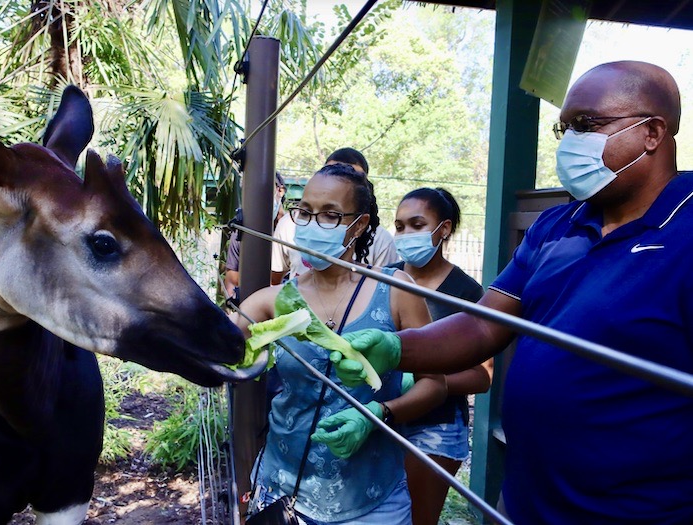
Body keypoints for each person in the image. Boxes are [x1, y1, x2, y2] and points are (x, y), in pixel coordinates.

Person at [329, 61, 693, 524]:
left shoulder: (686, 232)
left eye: (586, 125)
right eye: (564, 129)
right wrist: (399, 347)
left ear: (652, 133)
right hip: (524, 501)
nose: (569, 144)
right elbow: (484, 323)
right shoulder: (556, 226)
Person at [230, 163, 446, 524]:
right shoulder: (272, 301)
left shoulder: (395, 290)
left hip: (372, 498)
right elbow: (224, 341)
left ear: (358, 225)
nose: (313, 224)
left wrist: (381, 414)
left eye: (330, 215)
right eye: (305, 212)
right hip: (284, 490)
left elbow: (434, 384)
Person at [389, 187, 492, 525]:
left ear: (443, 229)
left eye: (417, 225)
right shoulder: (380, 278)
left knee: (417, 519)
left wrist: (432, 384)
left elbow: (483, 376)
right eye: (400, 226)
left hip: (436, 426)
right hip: (380, 418)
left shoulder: (466, 293)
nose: (405, 234)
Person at [271, 148, 398, 284]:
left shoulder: (382, 241)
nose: (337, 178)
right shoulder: (289, 224)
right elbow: (274, 279)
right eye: (305, 213)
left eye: (331, 215)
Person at [224, 172, 287, 302]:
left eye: (262, 190)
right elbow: (231, 279)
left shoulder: (293, 231)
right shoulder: (241, 233)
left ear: (280, 190)